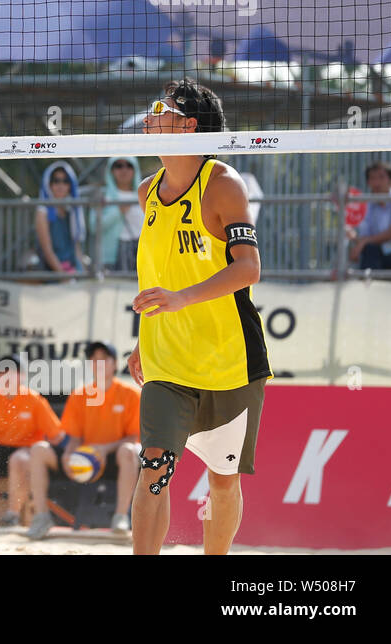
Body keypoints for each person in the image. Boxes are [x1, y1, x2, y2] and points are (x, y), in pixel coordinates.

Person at [128, 79, 270, 555]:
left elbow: (248, 268)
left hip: (227, 361)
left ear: (188, 124)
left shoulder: (223, 184)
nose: (148, 115)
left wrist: (181, 299)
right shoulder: (148, 191)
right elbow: (158, 275)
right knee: (154, 468)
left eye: (159, 108)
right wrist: (141, 340)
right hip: (166, 361)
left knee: (223, 482)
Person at [26, 341, 141, 539]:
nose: (99, 363)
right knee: (38, 450)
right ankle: (41, 516)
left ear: (114, 364)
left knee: (129, 450)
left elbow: (133, 436)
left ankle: (121, 517)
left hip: (116, 458)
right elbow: (74, 437)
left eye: (104, 359)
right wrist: (69, 452)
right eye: (94, 359)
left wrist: (104, 449)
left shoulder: (131, 394)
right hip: (85, 459)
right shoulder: (80, 395)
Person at [0, 353, 64, 528]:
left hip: (26, 451)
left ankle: (12, 515)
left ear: (22, 376)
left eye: (12, 372)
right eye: (2, 372)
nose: (7, 377)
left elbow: (56, 435)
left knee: (18, 460)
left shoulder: (34, 400)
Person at [349, 160, 391, 270]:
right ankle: (369, 285)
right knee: (369, 250)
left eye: (381, 177)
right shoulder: (366, 203)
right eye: (372, 178)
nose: (377, 182)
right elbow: (363, 234)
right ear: (368, 182)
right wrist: (353, 236)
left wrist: (363, 242)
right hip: (378, 252)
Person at [35, 161, 86, 275]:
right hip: (52, 275)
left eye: (65, 181)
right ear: (49, 184)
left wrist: (83, 274)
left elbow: (76, 249)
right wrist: (65, 277)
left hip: (72, 272)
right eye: (56, 181)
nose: (60, 185)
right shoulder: (42, 213)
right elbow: (47, 251)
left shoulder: (71, 213)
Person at [100, 156, 144, 272]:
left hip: (143, 252)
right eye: (118, 166)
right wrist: (119, 211)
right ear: (111, 170)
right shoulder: (103, 195)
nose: (124, 170)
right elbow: (95, 226)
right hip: (115, 257)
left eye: (129, 165)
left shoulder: (145, 193)